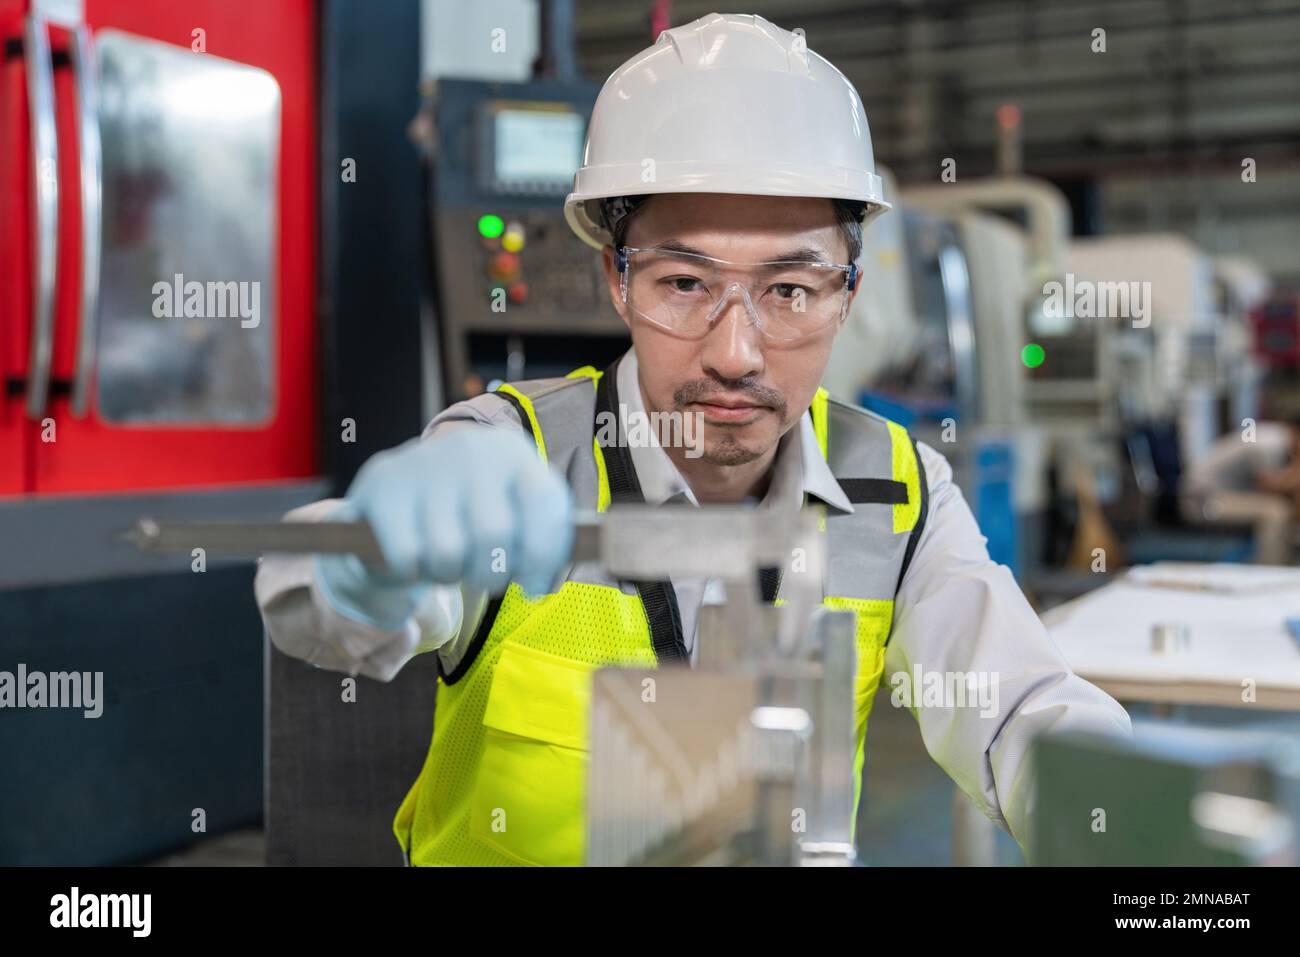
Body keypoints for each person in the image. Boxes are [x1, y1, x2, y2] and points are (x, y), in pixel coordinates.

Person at [255, 12, 1131, 866]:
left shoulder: (896, 492)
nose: (735, 352)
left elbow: (1019, 704)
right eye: (683, 282)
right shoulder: (510, 457)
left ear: (850, 295)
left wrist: (1124, 821)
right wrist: (363, 558)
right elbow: (314, 607)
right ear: (616, 279)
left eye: (790, 289)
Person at [1182, 421, 1300, 565]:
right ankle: (1269, 571)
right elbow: (1271, 487)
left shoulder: (1274, 437)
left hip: (1217, 496)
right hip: (1202, 502)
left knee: (1279, 508)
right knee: (1276, 512)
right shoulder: (1269, 445)